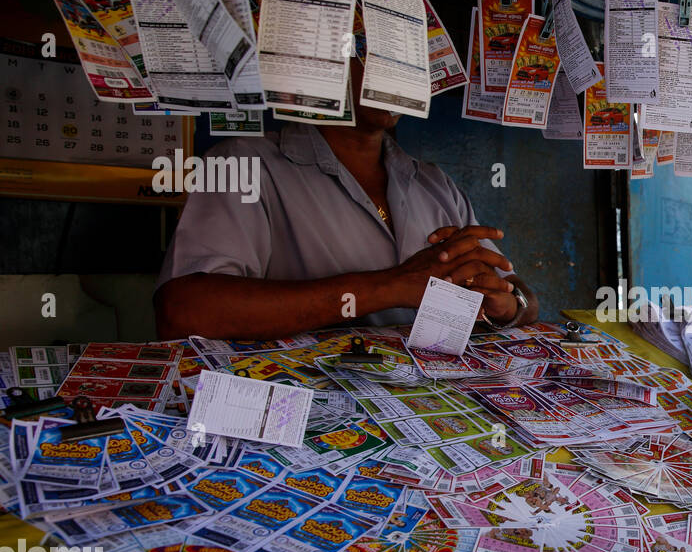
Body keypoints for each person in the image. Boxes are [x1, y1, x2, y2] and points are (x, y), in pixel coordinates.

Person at [153, 57, 537, 340]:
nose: (393, 73)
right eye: (374, 51)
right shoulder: (243, 162)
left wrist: (505, 306)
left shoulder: (434, 183)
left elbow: (524, 298)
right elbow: (184, 311)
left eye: (404, 59)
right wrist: (389, 286)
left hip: (423, 415)